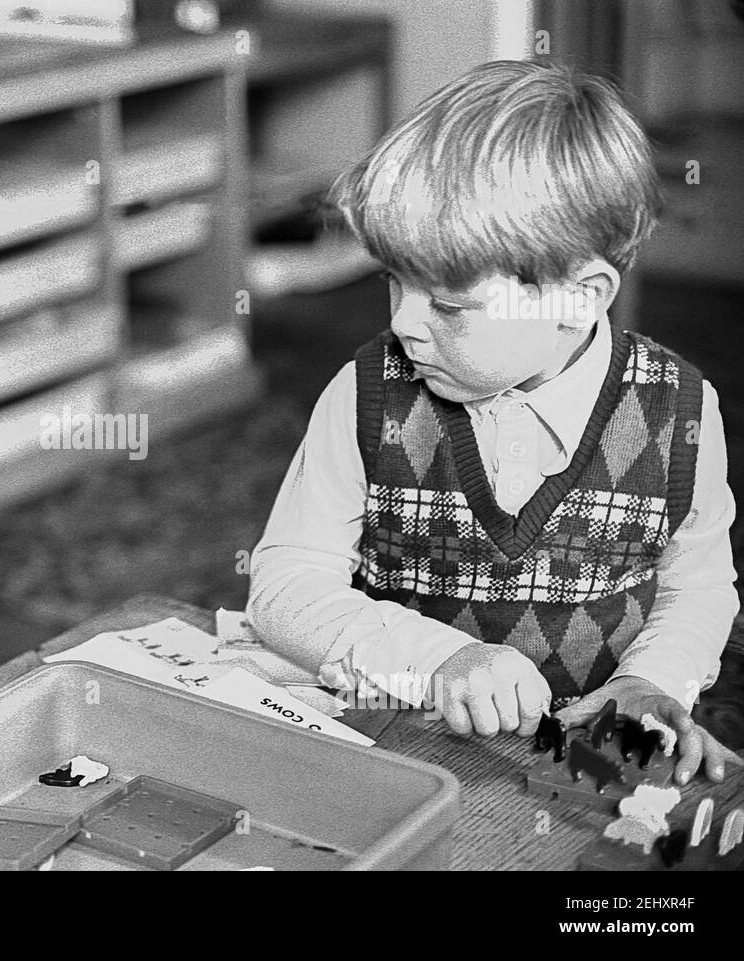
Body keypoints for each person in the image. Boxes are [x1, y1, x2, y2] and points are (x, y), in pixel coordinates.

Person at [247, 60, 740, 786]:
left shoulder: (680, 413)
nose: (405, 323)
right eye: (393, 280)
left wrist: (652, 680)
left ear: (580, 298)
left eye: (447, 305)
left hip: (587, 766)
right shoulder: (365, 394)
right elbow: (285, 584)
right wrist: (436, 657)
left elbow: (695, 586)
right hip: (401, 748)